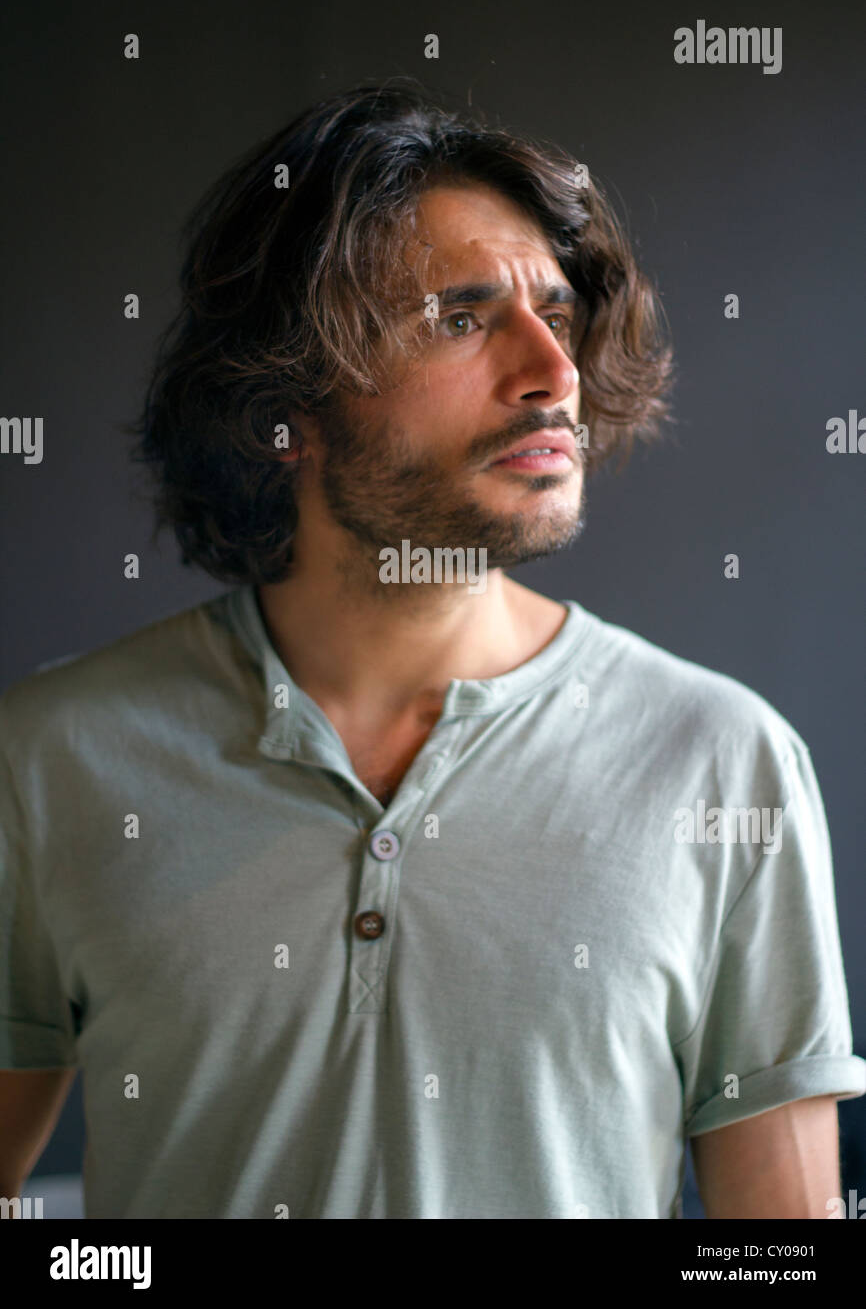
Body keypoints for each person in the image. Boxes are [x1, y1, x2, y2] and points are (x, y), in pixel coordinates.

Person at [1, 79, 863, 1220]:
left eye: (554, 315)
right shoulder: (53, 760)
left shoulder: (721, 761)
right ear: (284, 406)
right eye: (459, 319)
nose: (552, 374)